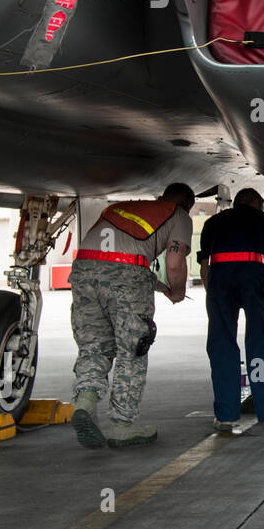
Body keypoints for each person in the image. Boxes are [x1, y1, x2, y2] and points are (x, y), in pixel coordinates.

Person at [70, 182, 195, 449]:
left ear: (160, 197)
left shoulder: (120, 208)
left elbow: (116, 258)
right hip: (127, 275)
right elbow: (173, 263)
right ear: (188, 206)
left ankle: (85, 402)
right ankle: (122, 425)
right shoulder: (179, 215)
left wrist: (159, 286)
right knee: (133, 347)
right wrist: (177, 291)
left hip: (84, 268)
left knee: (94, 345)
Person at [199, 187, 264, 431]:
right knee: (260, 341)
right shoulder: (263, 220)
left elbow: (204, 265)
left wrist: (213, 295)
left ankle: (225, 416)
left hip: (220, 278)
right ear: (256, 203)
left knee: (221, 343)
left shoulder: (214, 221)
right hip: (253, 276)